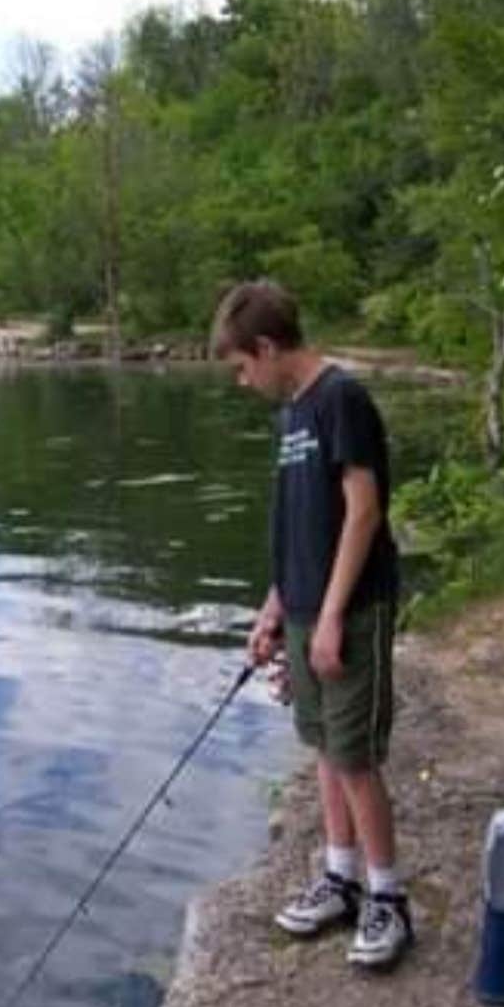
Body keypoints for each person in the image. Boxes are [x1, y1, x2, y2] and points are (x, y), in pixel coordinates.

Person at [211, 279, 414, 968]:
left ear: (267, 348)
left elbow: (363, 512)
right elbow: (304, 528)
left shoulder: (340, 400)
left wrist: (329, 618)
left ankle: (389, 899)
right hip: (301, 608)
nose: (243, 382)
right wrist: (274, 609)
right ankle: (340, 878)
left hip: (351, 610)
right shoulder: (291, 414)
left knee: (355, 756)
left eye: (242, 367)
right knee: (325, 748)